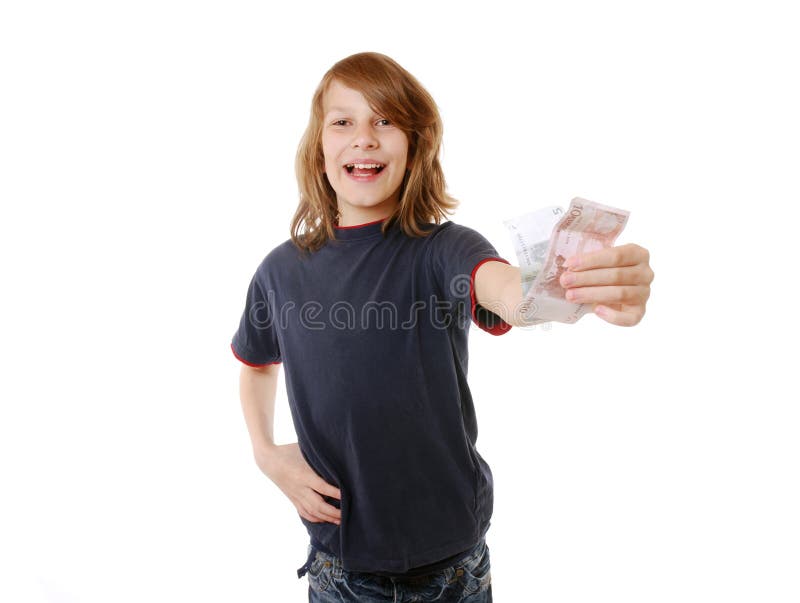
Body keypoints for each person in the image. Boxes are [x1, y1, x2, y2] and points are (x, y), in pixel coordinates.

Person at [230, 51, 654, 602]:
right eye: (344, 122)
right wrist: (265, 452)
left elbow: (507, 290)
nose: (364, 137)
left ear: (414, 146)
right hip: (339, 570)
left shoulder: (445, 249)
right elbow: (256, 364)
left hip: (451, 571)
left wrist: (569, 289)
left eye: (385, 120)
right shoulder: (278, 271)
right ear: (319, 148)